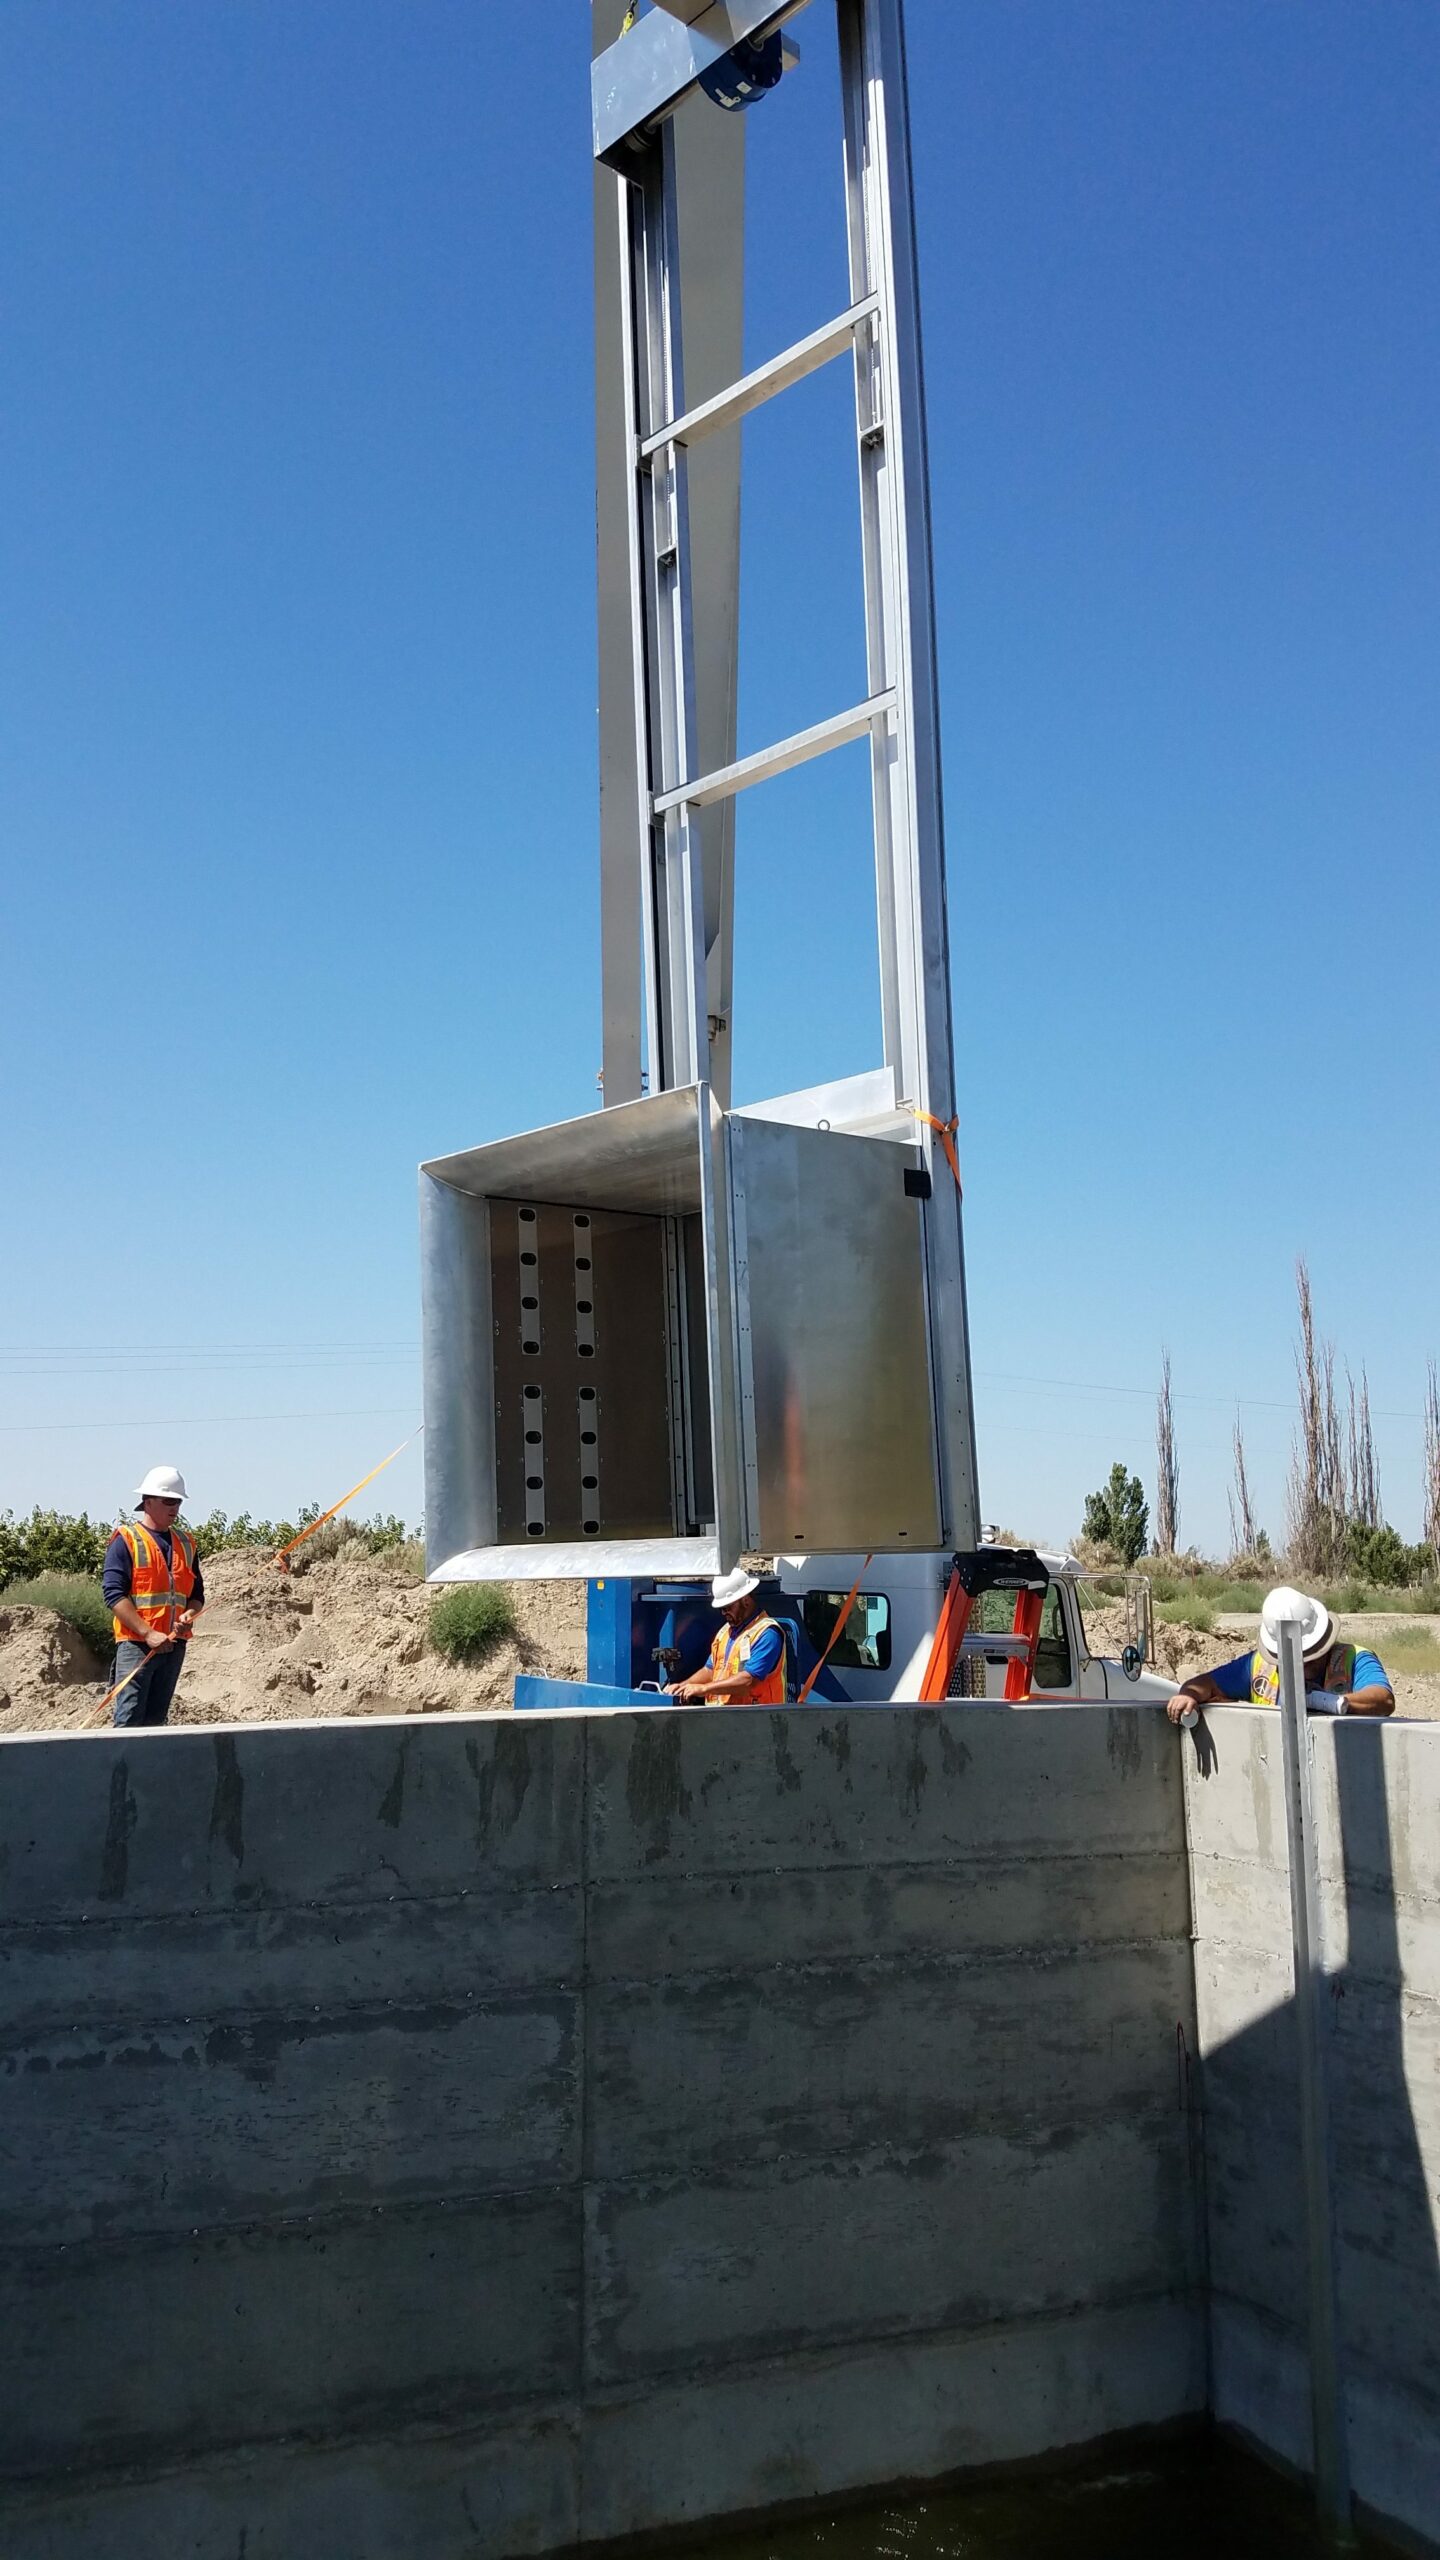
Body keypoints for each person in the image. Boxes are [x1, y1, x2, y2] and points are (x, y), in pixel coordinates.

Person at [1166, 1582, 1393, 1725]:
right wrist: (1188, 1695)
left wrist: (1324, 1702)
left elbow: (1383, 1700)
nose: (1303, 1668)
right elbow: (1204, 1684)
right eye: (1296, 1660)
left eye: (1310, 1658)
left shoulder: (1355, 1659)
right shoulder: (1256, 1667)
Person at [102, 1466, 205, 1727]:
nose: (175, 1508)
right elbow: (114, 1595)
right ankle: (121, 1769)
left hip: (173, 1644)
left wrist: (189, 1615)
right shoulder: (126, 1540)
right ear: (148, 1501)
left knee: (156, 1723)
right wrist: (148, 1633)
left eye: (178, 1501)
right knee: (129, 1721)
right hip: (137, 1645)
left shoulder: (186, 1543)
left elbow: (196, 1595)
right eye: (168, 1501)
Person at [667, 1567, 788, 1704]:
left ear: (746, 1601)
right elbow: (710, 1670)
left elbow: (748, 1681)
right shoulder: (725, 1632)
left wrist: (704, 1689)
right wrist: (683, 1686)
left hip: (759, 1720)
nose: (724, 1613)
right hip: (724, 1718)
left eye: (728, 1607)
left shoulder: (767, 1634)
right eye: (721, 1609)